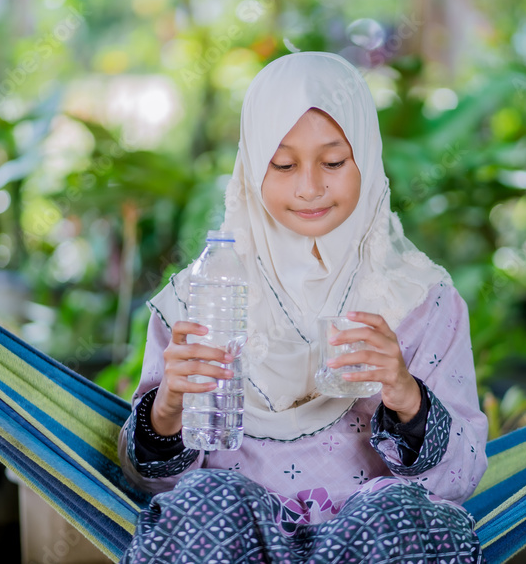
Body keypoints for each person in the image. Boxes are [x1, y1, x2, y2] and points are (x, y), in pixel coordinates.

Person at [117, 51, 488, 563]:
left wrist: (406, 395)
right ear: (251, 167)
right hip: (238, 538)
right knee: (205, 504)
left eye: (334, 162)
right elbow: (157, 485)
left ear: (367, 155)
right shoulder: (197, 301)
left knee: (406, 516)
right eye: (283, 164)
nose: (309, 186)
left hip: (370, 540)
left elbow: (461, 477)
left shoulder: (422, 299)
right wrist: (168, 408)